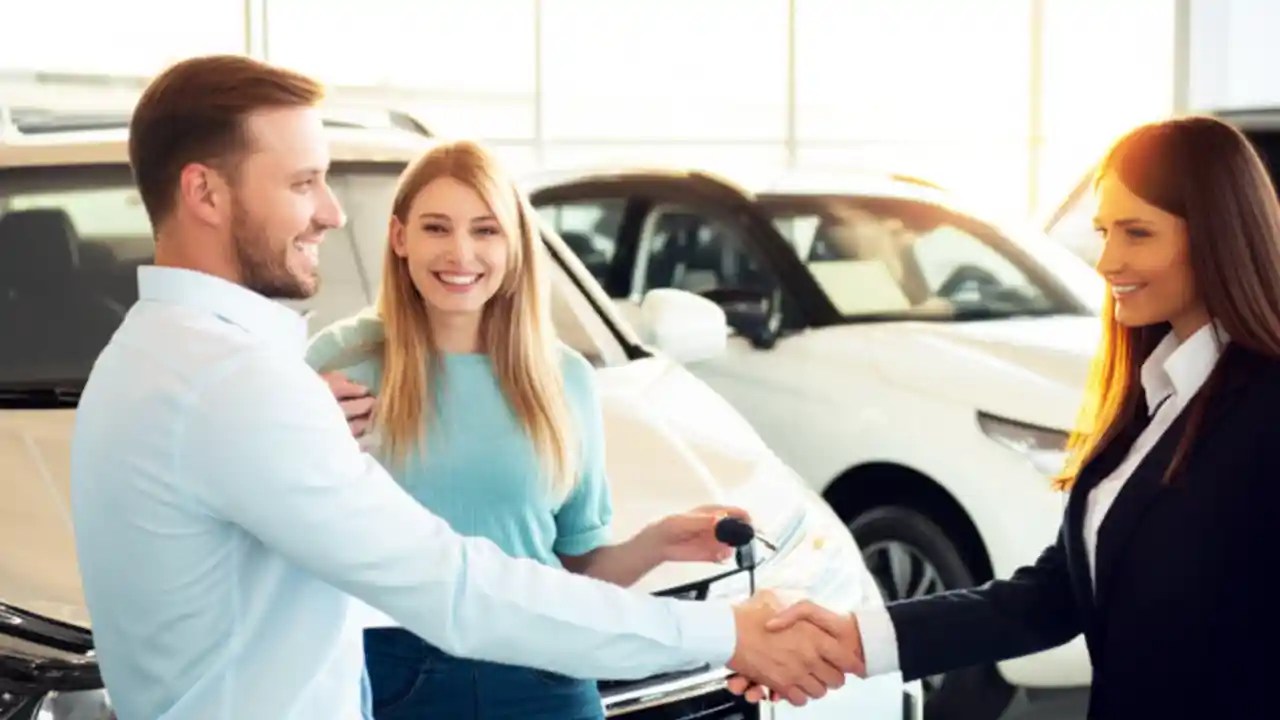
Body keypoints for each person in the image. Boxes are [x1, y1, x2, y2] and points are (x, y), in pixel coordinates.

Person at [67, 54, 858, 720]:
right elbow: (452, 585)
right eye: (304, 182)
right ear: (205, 193)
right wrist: (724, 634)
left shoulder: (157, 358)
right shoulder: (236, 384)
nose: (333, 214)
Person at [733, 115, 1280, 719]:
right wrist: (855, 639)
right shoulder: (1158, 392)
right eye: (1103, 231)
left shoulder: (1265, 406)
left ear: (1217, 236)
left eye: (1137, 233)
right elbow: (1053, 596)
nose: (1106, 262)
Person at [305, 139, 753, 719]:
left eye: (486, 230)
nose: (460, 253)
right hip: (392, 676)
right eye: (436, 228)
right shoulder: (340, 364)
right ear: (400, 238)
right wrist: (302, 427)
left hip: (544, 678)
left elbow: (576, 574)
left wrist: (659, 542)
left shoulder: (562, 378)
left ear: (515, 244)